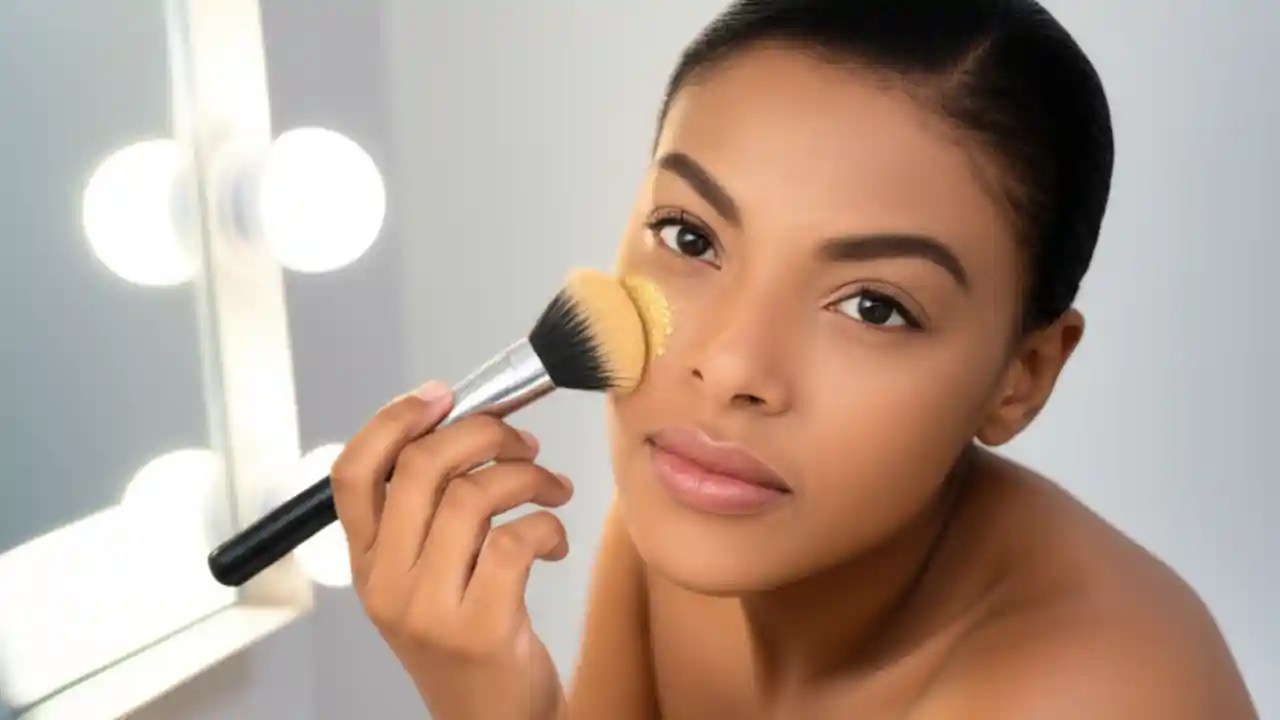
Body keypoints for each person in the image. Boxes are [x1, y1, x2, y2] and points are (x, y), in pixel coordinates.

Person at [329, 1, 1258, 717]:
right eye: (690, 237)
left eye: (873, 306)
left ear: (1023, 376)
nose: (730, 366)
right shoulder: (706, 511)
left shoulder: (1095, 690)